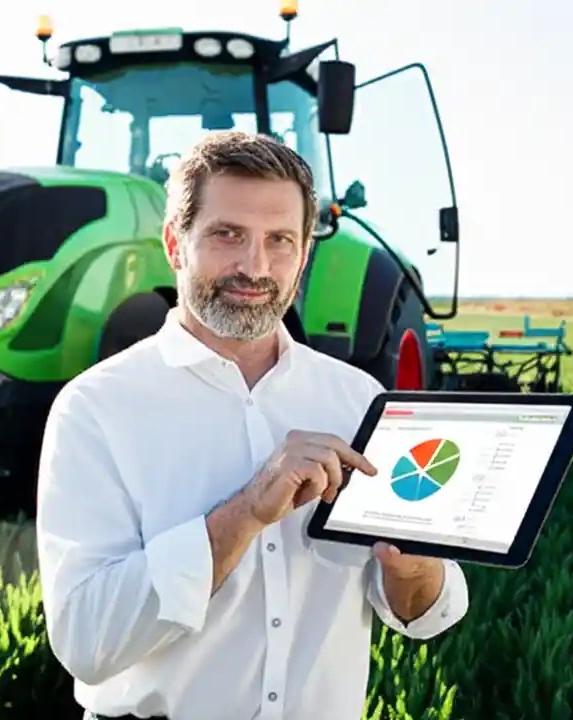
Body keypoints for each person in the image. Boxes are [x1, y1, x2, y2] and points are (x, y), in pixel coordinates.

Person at [35, 130, 470, 720]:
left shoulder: (358, 400)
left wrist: (412, 567)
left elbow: (424, 613)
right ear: (174, 244)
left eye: (280, 241)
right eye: (227, 234)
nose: (255, 265)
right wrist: (246, 512)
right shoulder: (96, 408)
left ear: (303, 255)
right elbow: (88, 643)